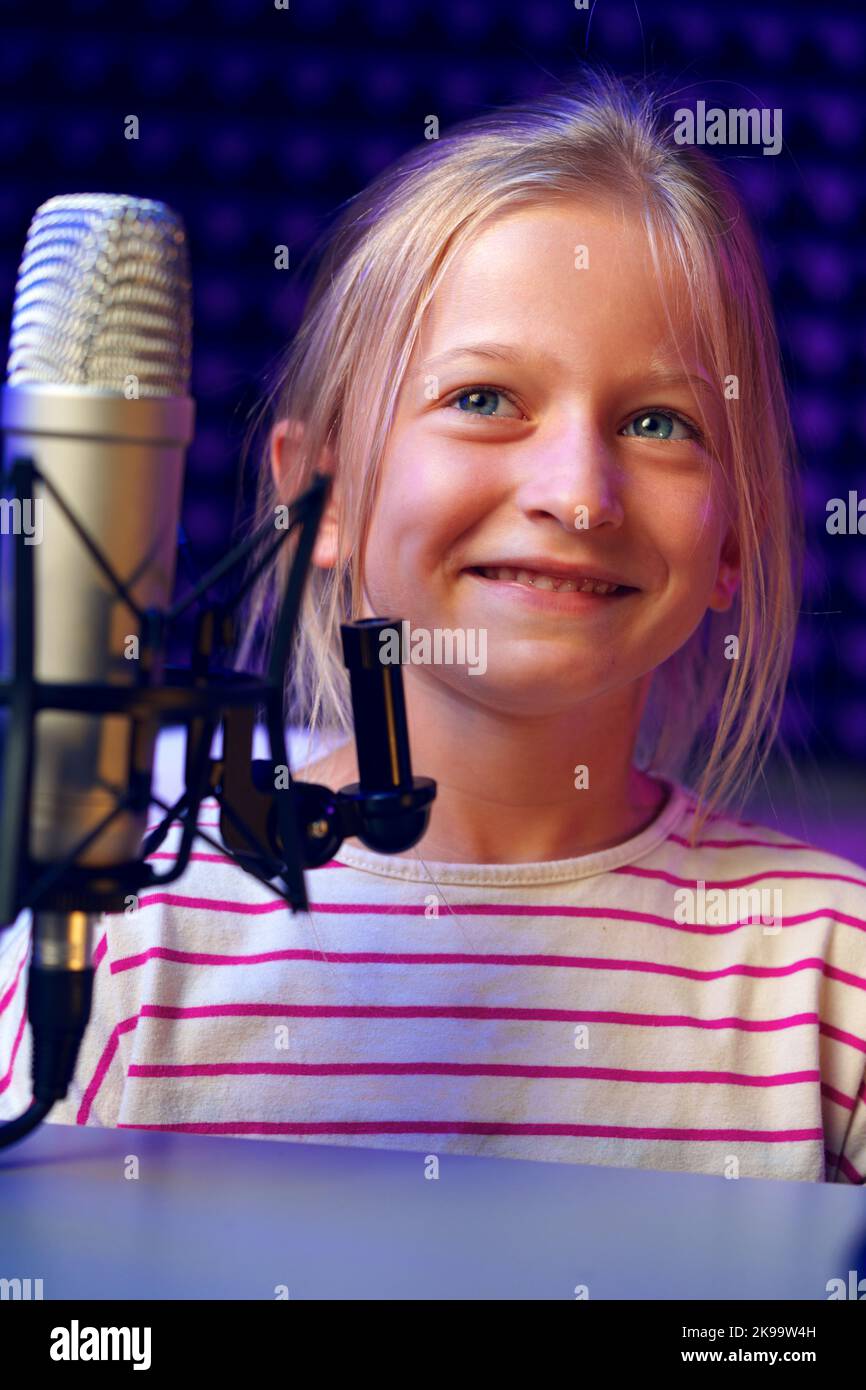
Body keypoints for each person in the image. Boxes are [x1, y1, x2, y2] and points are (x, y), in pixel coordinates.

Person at [2, 70, 863, 1182]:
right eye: (483, 400)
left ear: (732, 542)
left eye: (657, 422)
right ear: (321, 494)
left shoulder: (829, 975)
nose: (577, 493)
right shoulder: (129, 942)